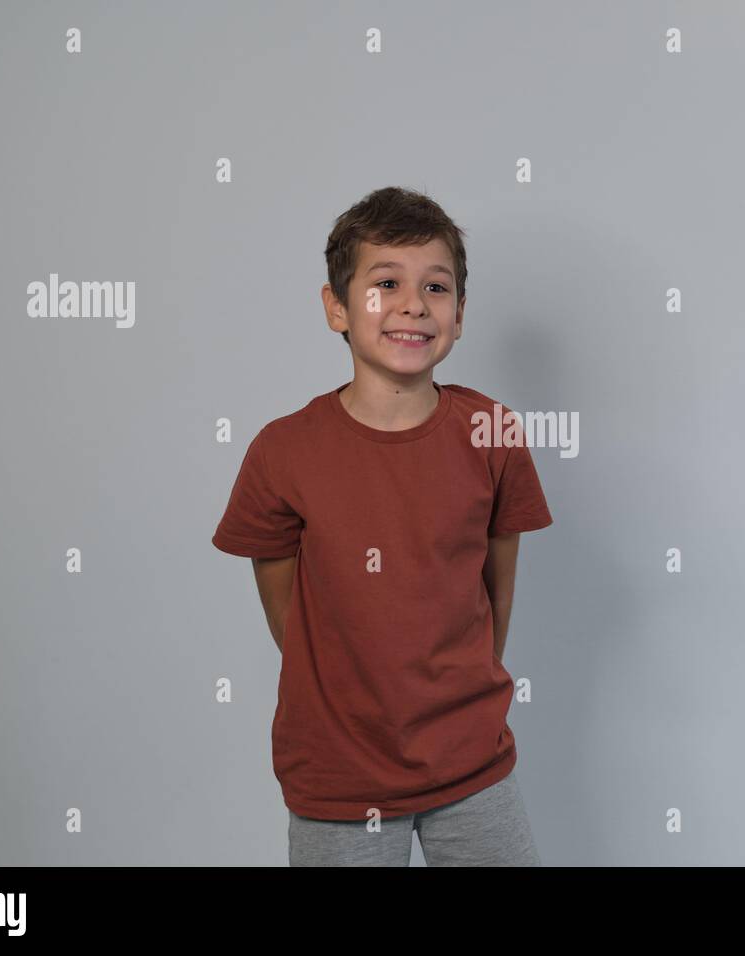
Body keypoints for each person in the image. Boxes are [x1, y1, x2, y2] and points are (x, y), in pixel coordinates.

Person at [212, 186, 551, 866]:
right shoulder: (284, 452)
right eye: (385, 283)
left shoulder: (492, 432)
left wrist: (459, 687)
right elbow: (289, 615)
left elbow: (494, 587)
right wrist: (355, 691)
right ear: (336, 307)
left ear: (459, 313)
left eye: (437, 287)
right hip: (339, 775)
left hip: (470, 763)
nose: (413, 305)